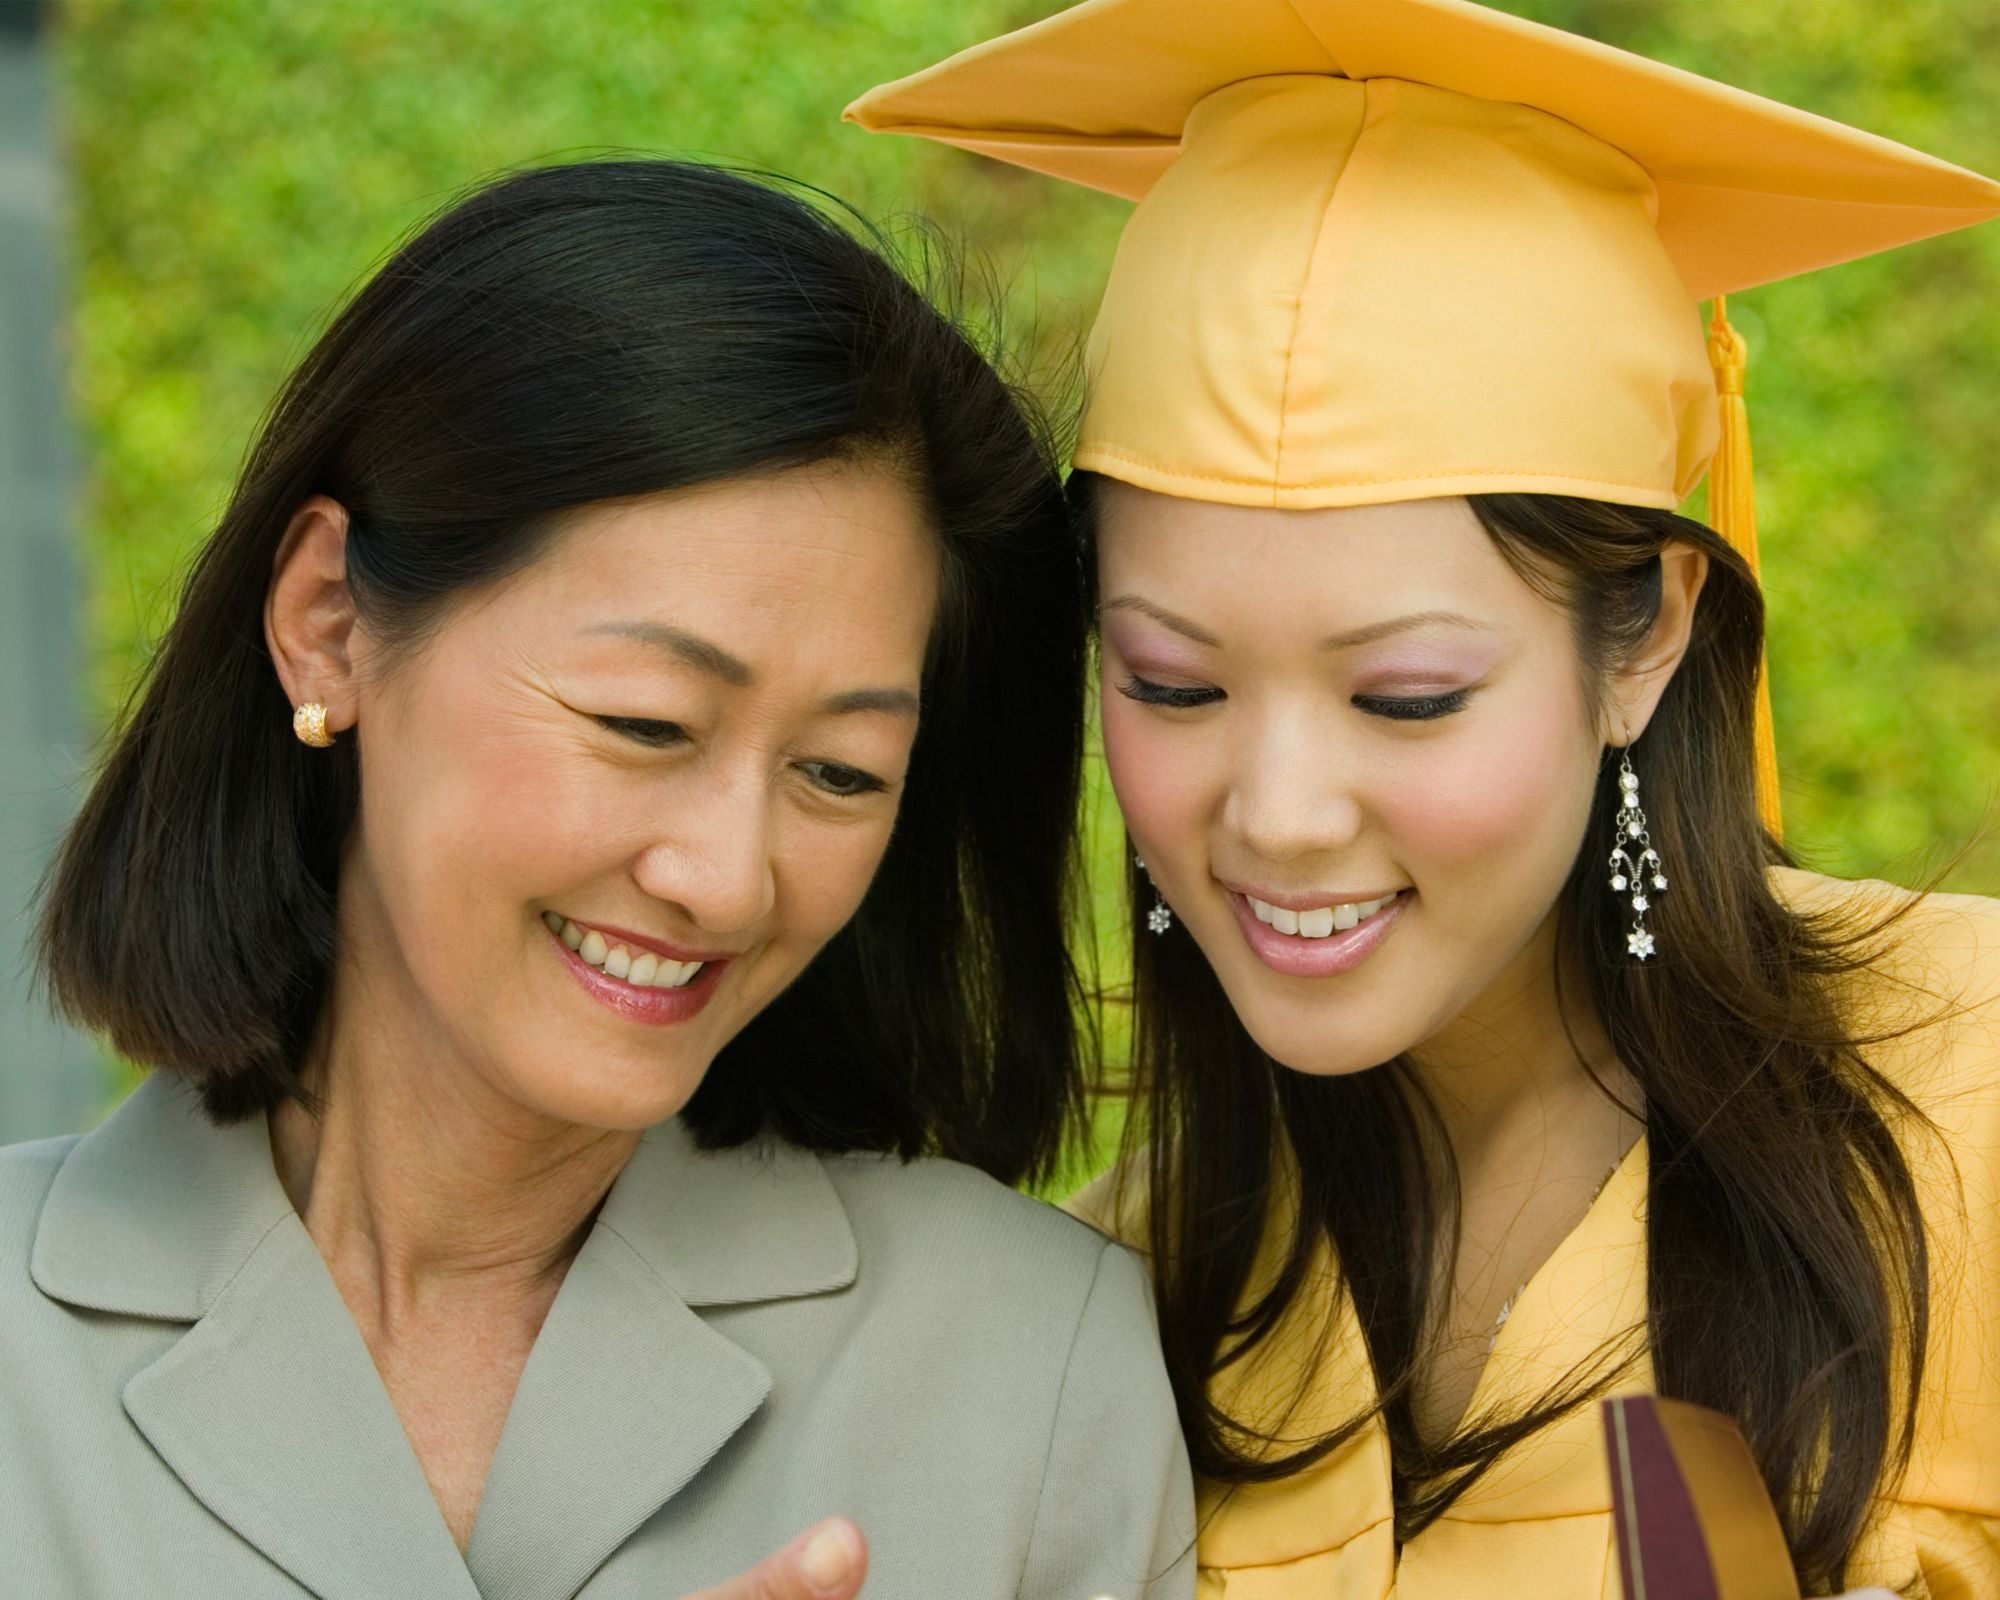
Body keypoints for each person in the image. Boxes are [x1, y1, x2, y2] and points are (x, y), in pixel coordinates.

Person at [849, 2, 2000, 1596]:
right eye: (1174, 684)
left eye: (1406, 698)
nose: (1281, 814)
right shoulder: (1103, 1309)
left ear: (1647, 635)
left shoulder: (1975, 1094)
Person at [2, 158, 1193, 1600]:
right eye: (646, 725)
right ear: (327, 625)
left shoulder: (1033, 1361)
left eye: (837, 774)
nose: (726, 878)